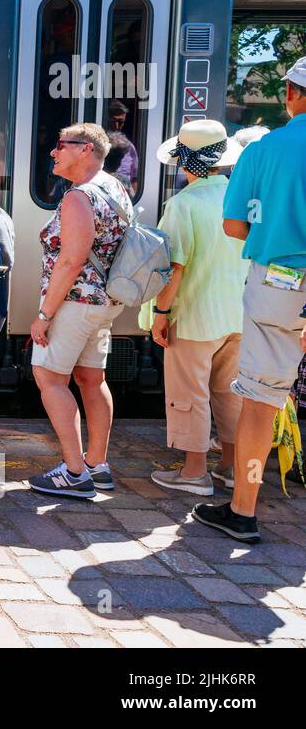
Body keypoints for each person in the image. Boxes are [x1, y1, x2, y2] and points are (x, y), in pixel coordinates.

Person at [195, 57, 306, 542]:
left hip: (279, 285)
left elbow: (235, 226)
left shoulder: (264, 150)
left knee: (261, 403)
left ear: (291, 93)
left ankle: (243, 509)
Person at [26, 122, 132, 500]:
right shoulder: (115, 188)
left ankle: (73, 472)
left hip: (75, 301)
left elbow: (70, 261)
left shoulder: (79, 197)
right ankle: (97, 465)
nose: (53, 153)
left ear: (86, 149)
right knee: (91, 378)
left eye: (61, 145)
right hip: (103, 303)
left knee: (49, 377)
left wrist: (45, 315)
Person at [143, 121, 246, 495]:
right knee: (230, 392)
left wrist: (161, 314)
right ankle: (231, 469)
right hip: (237, 315)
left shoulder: (183, 204)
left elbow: (175, 266)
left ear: (184, 162)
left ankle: (194, 473)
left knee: (191, 393)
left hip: (195, 317)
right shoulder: (240, 197)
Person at [106, 100, 139, 195]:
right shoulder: (95, 144)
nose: (117, 126)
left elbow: (134, 179)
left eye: (121, 122)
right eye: (114, 121)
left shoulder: (128, 147)